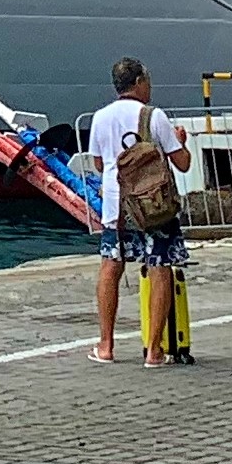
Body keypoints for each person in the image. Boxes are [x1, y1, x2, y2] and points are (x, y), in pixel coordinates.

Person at [85, 56, 192, 365]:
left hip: (116, 207)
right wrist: (181, 142)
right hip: (153, 206)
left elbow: (98, 163)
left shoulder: (100, 117)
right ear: (140, 82)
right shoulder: (153, 117)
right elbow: (182, 163)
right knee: (160, 268)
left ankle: (106, 346)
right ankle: (154, 350)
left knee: (110, 268)